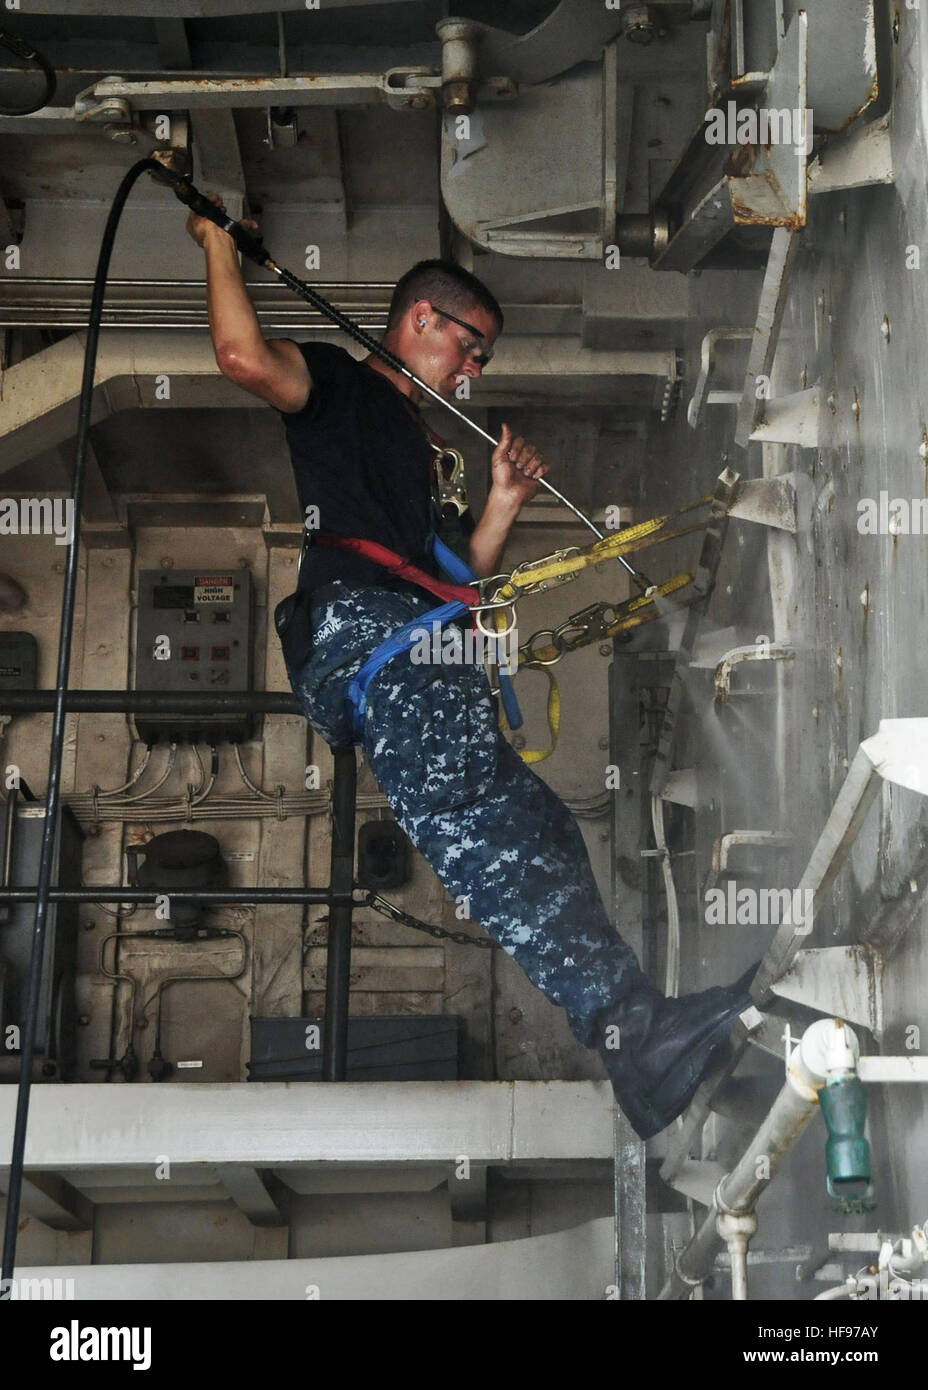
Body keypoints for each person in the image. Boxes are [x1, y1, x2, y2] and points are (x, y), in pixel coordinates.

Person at [187, 196, 755, 1139]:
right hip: (379, 648)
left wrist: (501, 499)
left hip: (422, 643)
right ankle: (633, 1037)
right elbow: (244, 357)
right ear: (421, 321)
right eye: (471, 346)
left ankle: (638, 1028)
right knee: (495, 832)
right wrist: (217, 244)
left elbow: (460, 580)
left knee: (541, 834)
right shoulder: (337, 388)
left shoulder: (421, 448)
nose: (477, 369)